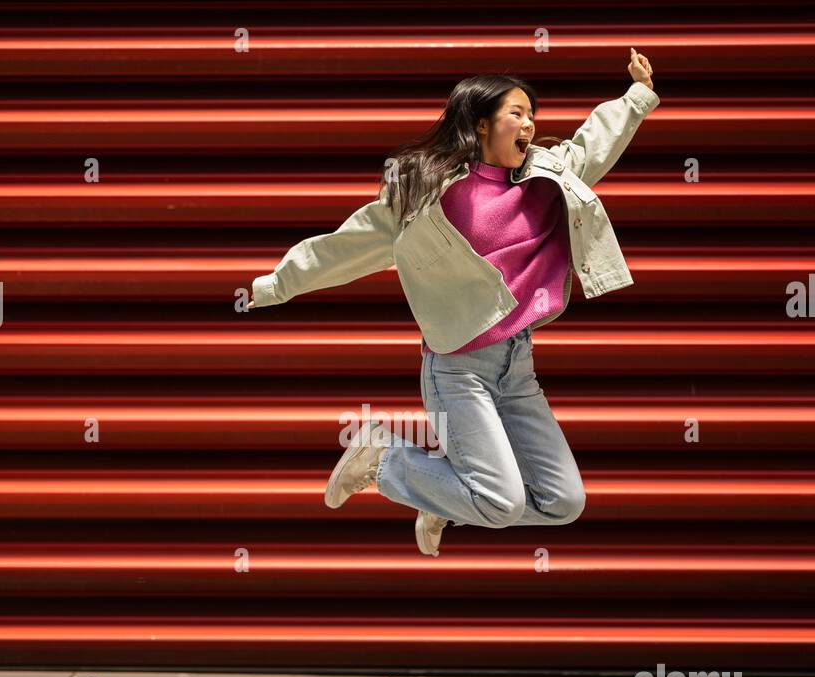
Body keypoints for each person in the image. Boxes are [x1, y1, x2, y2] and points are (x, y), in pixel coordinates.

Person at [249, 50, 657, 556]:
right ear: (482, 123)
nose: (529, 124)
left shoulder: (548, 176)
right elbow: (348, 244)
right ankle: (385, 459)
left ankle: (442, 499)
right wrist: (275, 285)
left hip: (518, 366)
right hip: (458, 368)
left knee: (563, 501)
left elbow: (596, 142)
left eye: (532, 115)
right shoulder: (427, 192)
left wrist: (637, 95)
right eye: (516, 113)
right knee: (501, 503)